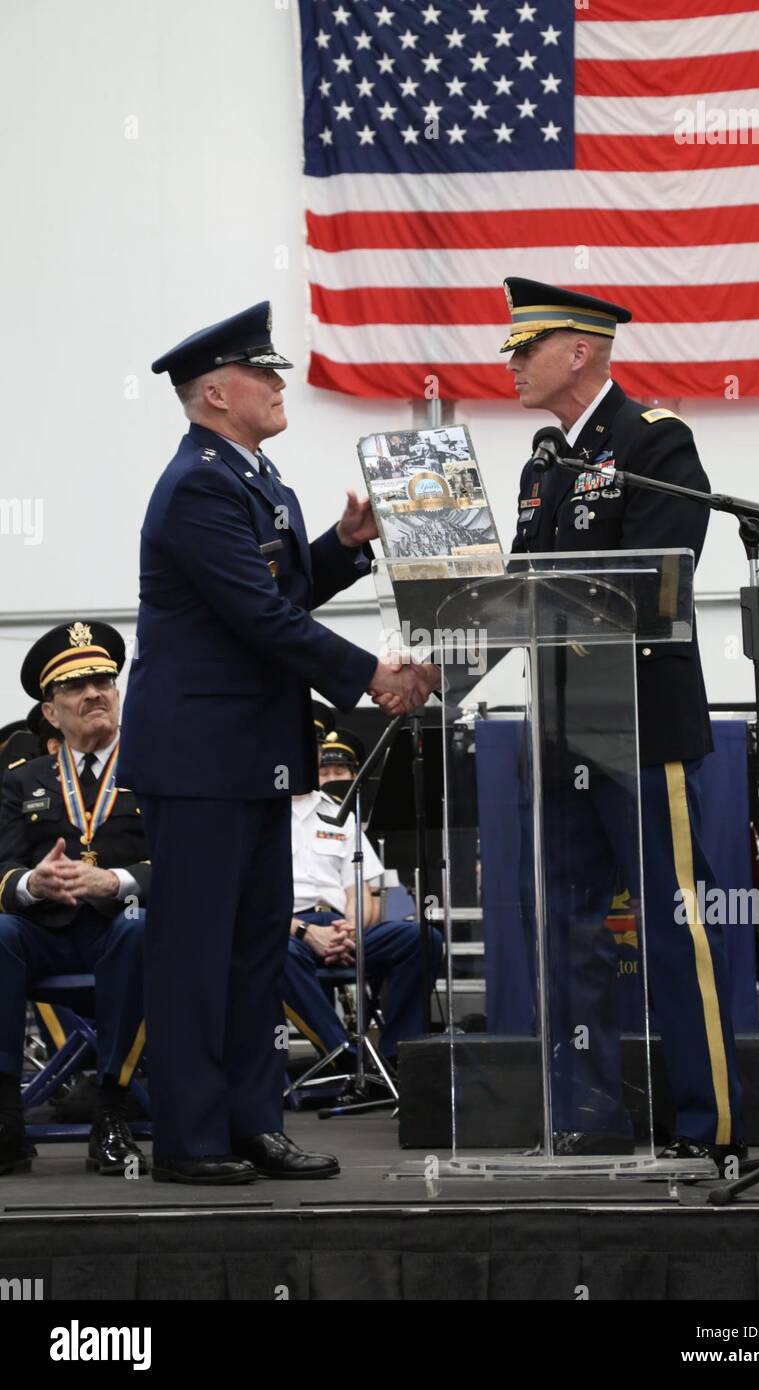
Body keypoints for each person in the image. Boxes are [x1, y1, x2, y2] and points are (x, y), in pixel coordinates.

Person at [117, 301, 438, 1185]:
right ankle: (189, 1140)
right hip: (199, 758)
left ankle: (254, 1123)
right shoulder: (197, 486)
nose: (279, 382)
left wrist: (341, 546)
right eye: (264, 373)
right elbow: (254, 615)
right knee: (194, 954)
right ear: (217, 392)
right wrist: (373, 674)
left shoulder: (260, 479)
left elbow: (283, 593)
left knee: (256, 949)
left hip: (253, 751)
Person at [502, 276, 745, 1168]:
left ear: (581, 349)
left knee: (674, 919)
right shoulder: (541, 461)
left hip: (637, 718)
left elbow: (665, 570)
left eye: (526, 348)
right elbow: (514, 587)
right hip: (558, 721)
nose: (514, 365)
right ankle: (587, 1113)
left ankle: (706, 1121)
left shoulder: (655, 442)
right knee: (564, 926)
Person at [0, 621, 147, 1176]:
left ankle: (112, 1111)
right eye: (74, 686)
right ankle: (5, 1119)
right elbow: (3, 868)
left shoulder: (153, 766)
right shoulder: (22, 779)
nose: (93, 693)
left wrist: (118, 881)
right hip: (49, 933)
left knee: (138, 929)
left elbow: (182, 865)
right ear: (49, 711)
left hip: (122, 927)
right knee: (0, 932)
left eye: (103, 679)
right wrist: (31, 883)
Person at [281, 728, 442, 1081]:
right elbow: (251, 898)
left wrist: (350, 930)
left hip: (343, 928)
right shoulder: (257, 814)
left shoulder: (340, 814)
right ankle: (342, 1054)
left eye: (312, 749)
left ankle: (398, 1059)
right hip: (288, 930)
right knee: (275, 952)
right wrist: (307, 932)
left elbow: (360, 890)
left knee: (423, 939)